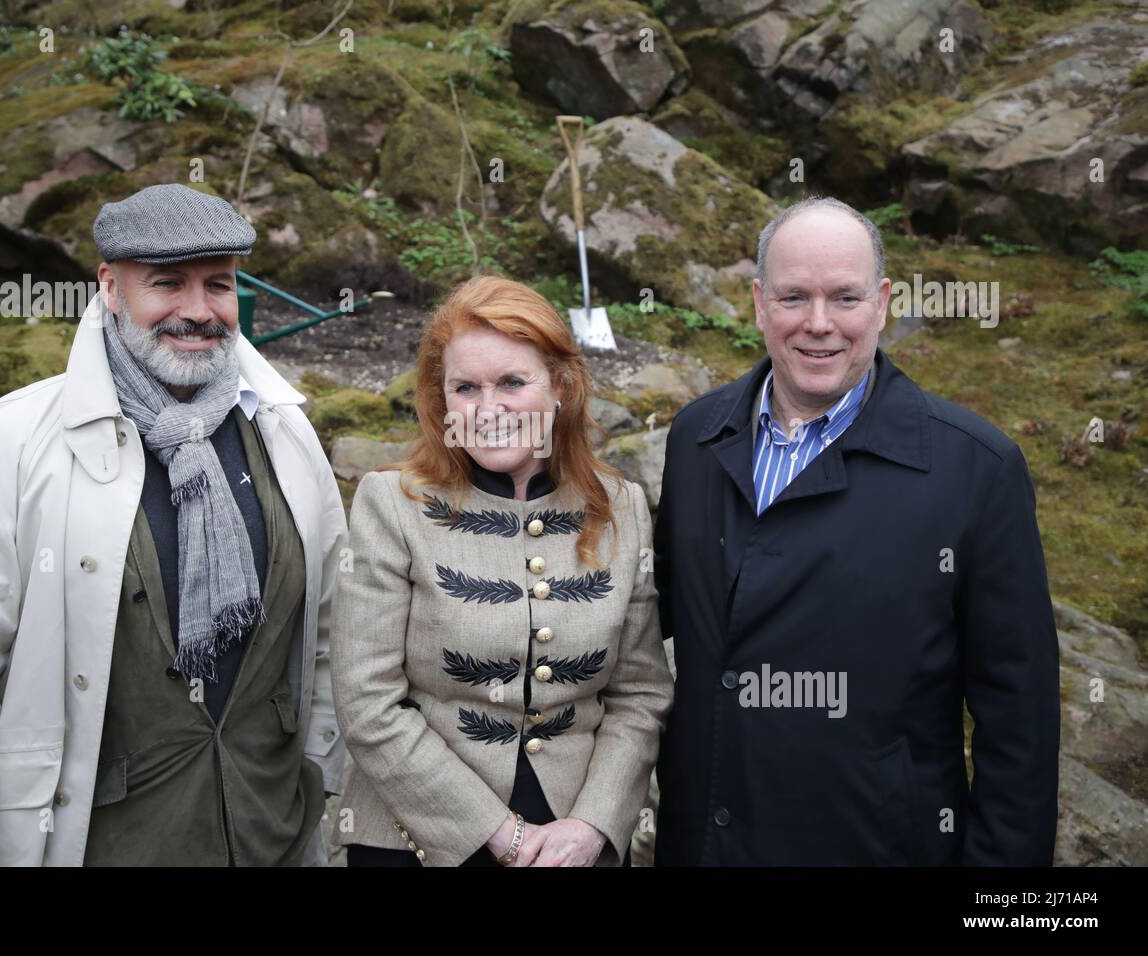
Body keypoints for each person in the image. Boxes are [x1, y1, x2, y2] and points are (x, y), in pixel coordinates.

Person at [0, 183, 347, 866]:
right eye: (168, 284)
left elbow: (327, 640)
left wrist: (331, 800)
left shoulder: (284, 432)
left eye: (218, 285)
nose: (199, 312)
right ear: (110, 286)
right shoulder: (11, 446)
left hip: (269, 834)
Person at [653, 196, 1060, 866]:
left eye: (844, 297)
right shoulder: (696, 436)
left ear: (881, 303)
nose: (818, 324)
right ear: (759, 303)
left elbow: (1020, 719)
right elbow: (655, 619)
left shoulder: (974, 469)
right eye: (793, 297)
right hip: (706, 841)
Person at [331, 275, 674, 866]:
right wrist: (502, 836)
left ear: (561, 386)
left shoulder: (621, 508)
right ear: (442, 400)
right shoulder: (392, 503)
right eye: (466, 388)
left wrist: (592, 825)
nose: (489, 410)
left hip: (570, 841)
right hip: (415, 837)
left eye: (513, 382)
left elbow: (640, 694)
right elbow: (367, 701)